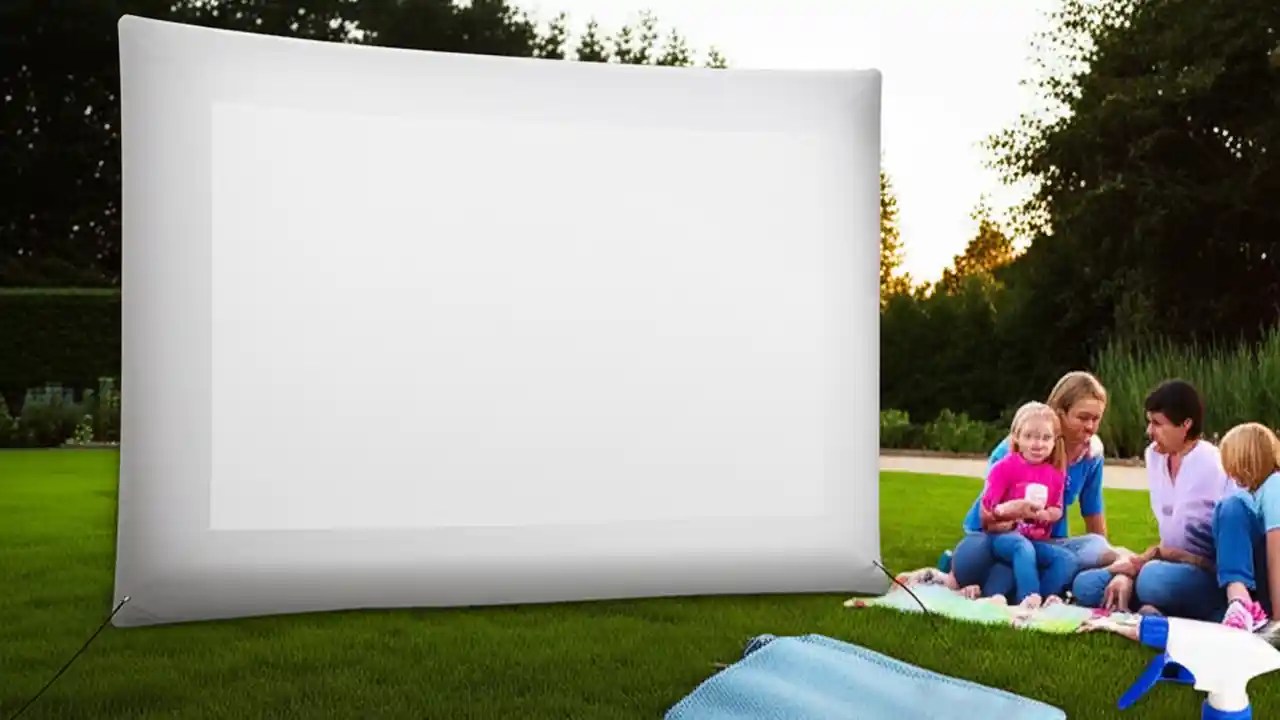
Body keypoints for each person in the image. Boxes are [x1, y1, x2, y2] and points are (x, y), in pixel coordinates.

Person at [1071, 379, 1236, 619]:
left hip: (1204, 574)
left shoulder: (1214, 465)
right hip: (1163, 564)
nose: (1149, 432)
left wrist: (1154, 563)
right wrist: (1127, 574)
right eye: (1149, 422)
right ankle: (1153, 608)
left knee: (1152, 580)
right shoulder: (1154, 457)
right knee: (1086, 585)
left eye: (1157, 424)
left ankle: (1163, 606)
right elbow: (1169, 533)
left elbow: (1231, 550)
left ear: (1186, 425)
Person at [945, 371, 1115, 601]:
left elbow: (1092, 507)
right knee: (1016, 557)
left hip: (1044, 538)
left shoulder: (1091, 454)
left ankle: (1035, 599)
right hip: (995, 534)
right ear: (1059, 414)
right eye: (1083, 418)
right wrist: (1013, 513)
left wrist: (1103, 561)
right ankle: (968, 572)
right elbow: (990, 508)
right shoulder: (1015, 451)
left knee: (1094, 547)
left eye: (1096, 419)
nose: (1091, 427)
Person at [979, 401, 1074, 607]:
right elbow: (988, 509)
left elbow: (1058, 508)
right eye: (1029, 436)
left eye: (1045, 438)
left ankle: (1042, 598)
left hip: (1036, 540)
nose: (1037, 444)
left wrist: (1048, 515)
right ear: (1017, 438)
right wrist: (1010, 510)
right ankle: (1027, 596)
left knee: (1066, 559)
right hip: (1003, 537)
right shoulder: (1004, 468)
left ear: (1055, 441)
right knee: (1022, 548)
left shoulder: (1055, 474)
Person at [1212, 422, 1280, 631]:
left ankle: (1240, 601)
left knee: (1231, 505)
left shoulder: (1274, 486)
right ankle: (1240, 606)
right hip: (1258, 586)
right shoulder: (1259, 492)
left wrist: (1278, 620)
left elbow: (1277, 553)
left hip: (1270, 590)